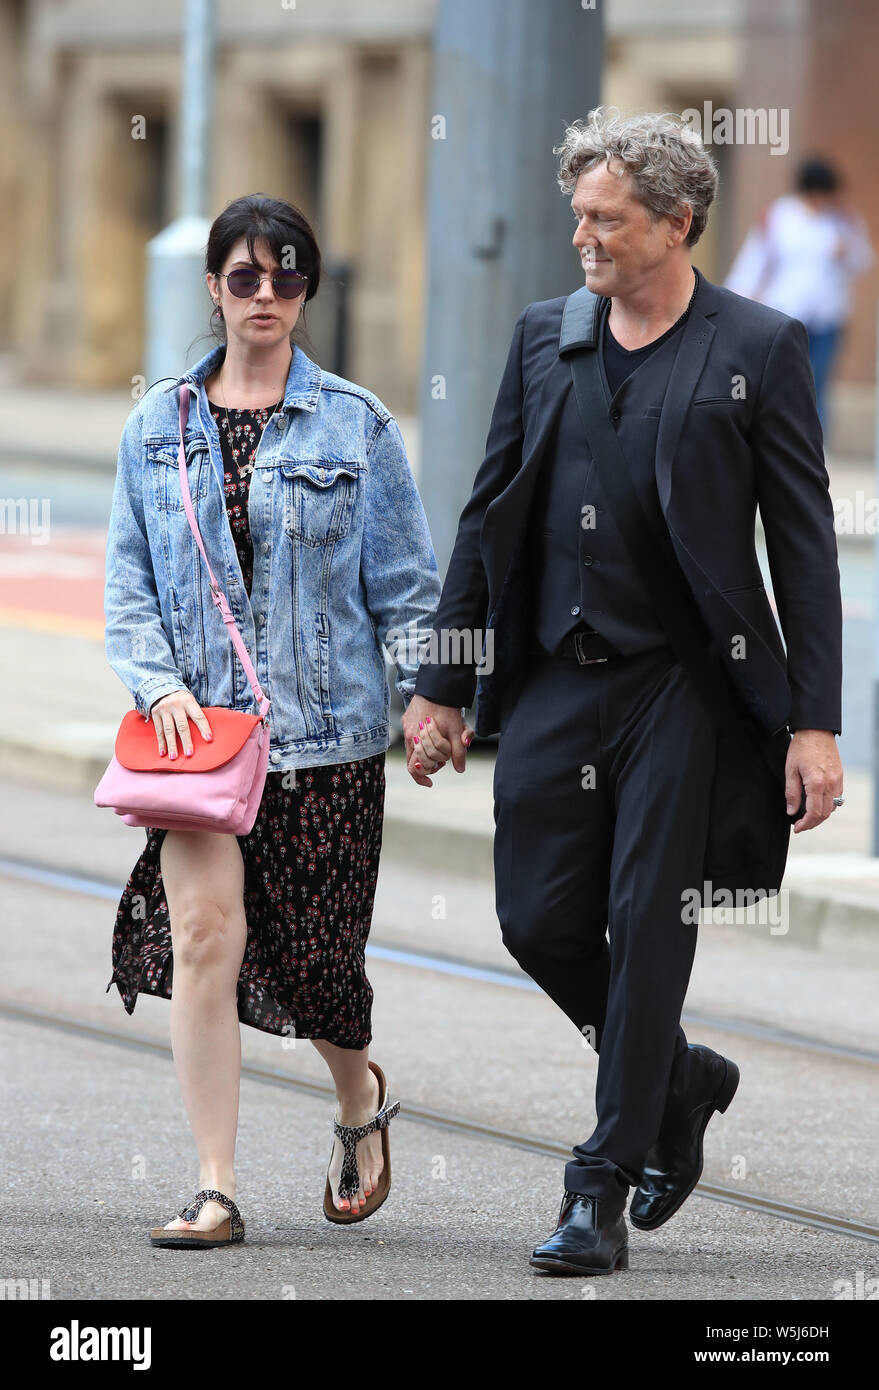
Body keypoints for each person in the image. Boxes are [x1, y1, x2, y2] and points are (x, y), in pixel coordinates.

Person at [405, 108, 843, 1276]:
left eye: (606, 220)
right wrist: (443, 681)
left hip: (684, 691)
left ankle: (599, 1179)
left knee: (651, 927)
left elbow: (803, 546)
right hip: (556, 675)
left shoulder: (757, 346)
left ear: (675, 221)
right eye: (578, 217)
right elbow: (487, 512)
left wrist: (814, 722)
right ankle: (679, 1080)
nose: (584, 238)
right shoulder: (548, 337)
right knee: (537, 919)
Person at [103, 193, 441, 1245]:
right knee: (206, 937)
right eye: (243, 276)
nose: (264, 294)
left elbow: (407, 587)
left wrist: (431, 700)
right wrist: (157, 684)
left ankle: (356, 1091)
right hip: (199, 743)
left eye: (284, 276)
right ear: (213, 288)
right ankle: (215, 1185)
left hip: (330, 738)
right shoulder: (155, 427)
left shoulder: (357, 423)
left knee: (319, 967)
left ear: (307, 290)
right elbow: (129, 587)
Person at [725, 156, 873, 437]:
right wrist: (737, 301)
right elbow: (753, 263)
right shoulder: (780, 217)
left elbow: (864, 259)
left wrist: (848, 251)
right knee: (787, 379)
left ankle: (816, 445)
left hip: (829, 317)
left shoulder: (844, 219)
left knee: (819, 381)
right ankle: (783, 439)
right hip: (787, 314)